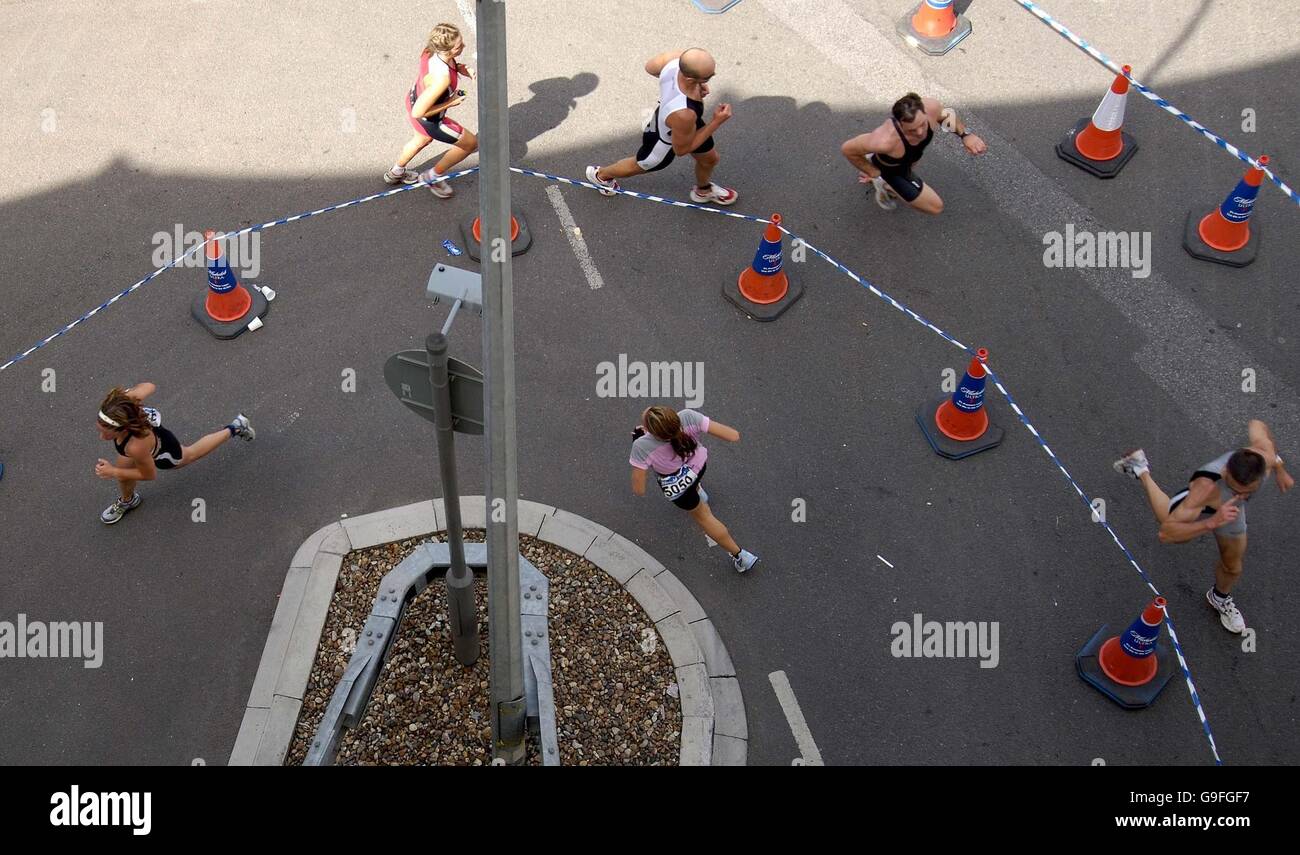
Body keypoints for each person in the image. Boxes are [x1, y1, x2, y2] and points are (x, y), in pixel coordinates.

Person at [1113, 420, 1293, 634]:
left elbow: (1257, 424)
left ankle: (1219, 598)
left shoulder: (1265, 456)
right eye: (1236, 491)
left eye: (1247, 493)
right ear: (1226, 472)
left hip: (1230, 512)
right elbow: (1167, 534)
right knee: (1174, 525)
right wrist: (1212, 522)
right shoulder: (1205, 488)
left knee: (1233, 565)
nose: (1242, 496)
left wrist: (1280, 469)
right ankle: (1140, 469)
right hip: (1205, 506)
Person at [586, 48, 737, 205]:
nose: (711, 77)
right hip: (663, 141)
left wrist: (696, 86)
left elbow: (650, 67)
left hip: (681, 123)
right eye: (708, 77)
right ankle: (600, 175)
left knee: (709, 159)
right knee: (639, 164)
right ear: (691, 79)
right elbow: (681, 150)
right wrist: (716, 122)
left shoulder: (674, 61)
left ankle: (703, 191)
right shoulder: (684, 114)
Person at [95, 383, 255, 524]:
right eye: (99, 430)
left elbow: (149, 475)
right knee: (124, 475)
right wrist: (128, 398)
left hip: (164, 451)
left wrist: (112, 471)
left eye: (106, 434)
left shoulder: (136, 447)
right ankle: (128, 501)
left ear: (124, 427)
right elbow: (149, 386)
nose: (101, 437)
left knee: (191, 454)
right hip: (142, 435)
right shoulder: (125, 406)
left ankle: (236, 427)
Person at [629, 406, 758, 573]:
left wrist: (641, 442)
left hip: (680, 487)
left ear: (651, 432)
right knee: (695, 484)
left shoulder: (641, 446)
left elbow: (639, 489)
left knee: (705, 517)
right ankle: (698, 489)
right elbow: (733, 435)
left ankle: (741, 556)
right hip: (698, 468)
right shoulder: (688, 417)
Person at [839, 92, 986, 215]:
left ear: (924, 110)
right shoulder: (883, 140)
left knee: (909, 160)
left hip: (909, 159)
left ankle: (879, 172)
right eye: (911, 130)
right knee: (935, 207)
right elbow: (848, 149)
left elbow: (946, 116)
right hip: (892, 170)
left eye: (922, 124)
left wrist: (966, 135)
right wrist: (874, 172)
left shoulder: (932, 107)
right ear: (898, 123)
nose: (920, 132)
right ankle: (885, 184)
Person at [382, 23, 477, 199]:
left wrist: (462, 68)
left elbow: (444, 64)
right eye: (458, 47)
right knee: (470, 144)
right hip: (430, 119)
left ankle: (396, 172)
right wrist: (450, 102)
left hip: (412, 98)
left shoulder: (430, 51)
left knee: (421, 139)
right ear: (447, 50)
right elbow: (419, 112)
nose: (463, 47)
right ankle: (432, 177)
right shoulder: (442, 79)